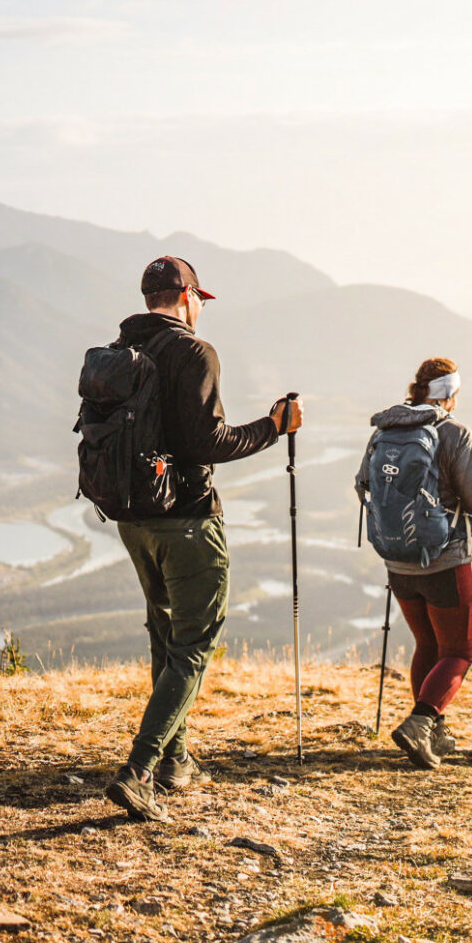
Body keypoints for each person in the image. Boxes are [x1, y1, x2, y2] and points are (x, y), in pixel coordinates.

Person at [102, 256, 302, 823]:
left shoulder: (120, 353)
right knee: (194, 642)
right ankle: (140, 771)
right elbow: (207, 442)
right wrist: (275, 426)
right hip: (187, 518)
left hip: (133, 518)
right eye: (201, 301)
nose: (201, 310)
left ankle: (175, 759)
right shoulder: (193, 352)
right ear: (188, 297)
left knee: (165, 634)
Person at [356, 357, 472, 769]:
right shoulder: (455, 433)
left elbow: (362, 485)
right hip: (447, 560)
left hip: (397, 561)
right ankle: (422, 722)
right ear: (449, 394)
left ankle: (432, 729)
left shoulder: (384, 431)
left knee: (428, 644)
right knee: (459, 649)